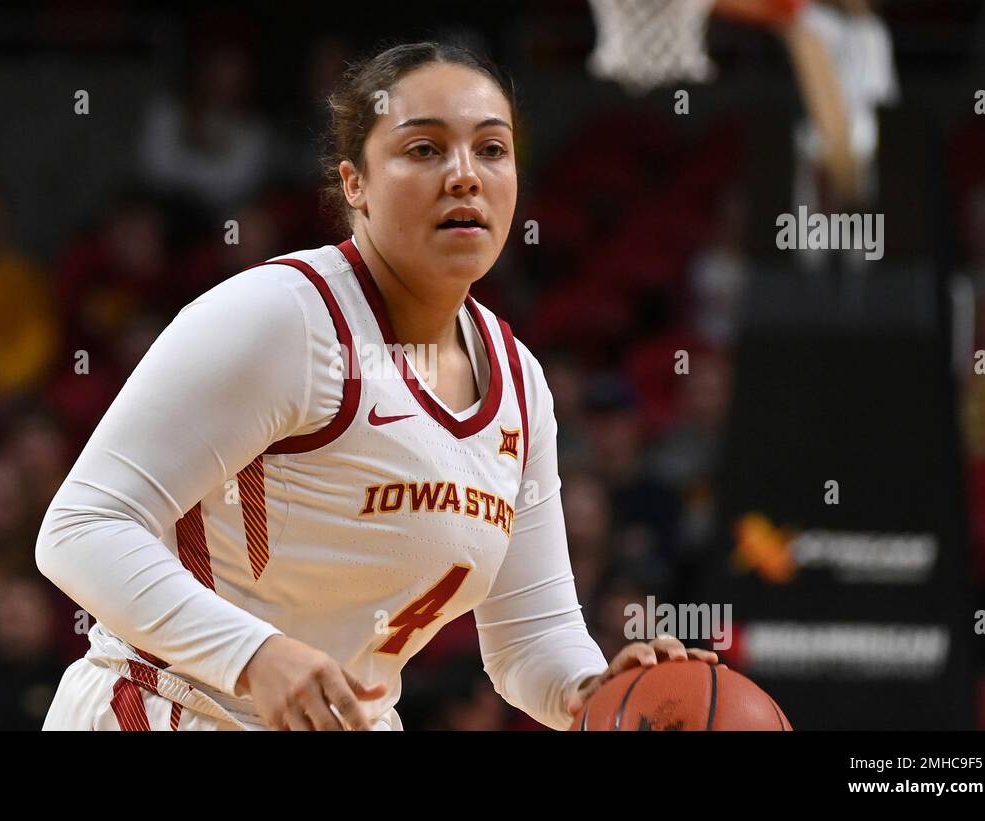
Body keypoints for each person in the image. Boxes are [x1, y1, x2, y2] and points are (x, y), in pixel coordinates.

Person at [37, 41, 716, 732]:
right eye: (424, 149)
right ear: (354, 182)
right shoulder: (284, 317)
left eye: (491, 149)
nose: (464, 176)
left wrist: (597, 689)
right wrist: (253, 655)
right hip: (169, 707)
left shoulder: (520, 381)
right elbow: (82, 527)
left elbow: (530, 640)